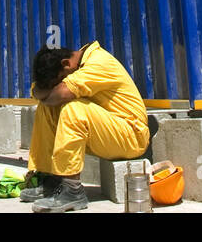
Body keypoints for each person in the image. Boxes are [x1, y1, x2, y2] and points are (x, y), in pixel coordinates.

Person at [22, 41, 149, 213]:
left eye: (57, 81)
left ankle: (73, 190)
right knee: (46, 108)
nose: (58, 84)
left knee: (73, 108)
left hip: (131, 136)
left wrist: (45, 92)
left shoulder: (98, 62)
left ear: (66, 64)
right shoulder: (78, 62)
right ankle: (52, 179)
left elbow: (60, 93)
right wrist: (44, 91)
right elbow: (37, 92)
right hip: (109, 131)